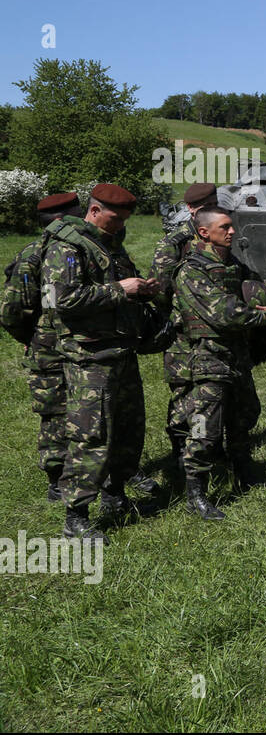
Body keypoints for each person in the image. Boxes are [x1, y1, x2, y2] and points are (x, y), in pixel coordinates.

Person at [44, 183, 165, 543]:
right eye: (116, 217)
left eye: (125, 218)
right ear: (94, 211)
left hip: (121, 353)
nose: (121, 224)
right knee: (91, 435)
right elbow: (61, 299)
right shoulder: (67, 247)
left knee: (128, 429)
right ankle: (76, 516)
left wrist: (141, 289)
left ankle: (115, 493)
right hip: (90, 358)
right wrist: (120, 290)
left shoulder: (110, 243)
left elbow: (115, 286)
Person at [168, 207, 266, 520]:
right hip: (209, 356)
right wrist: (264, 317)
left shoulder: (230, 263)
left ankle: (245, 473)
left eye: (232, 227)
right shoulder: (192, 269)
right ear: (204, 232)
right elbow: (222, 312)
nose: (232, 232)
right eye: (225, 227)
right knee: (206, 426)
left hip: (237, 354)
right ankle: (196, 493)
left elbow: (258, 287)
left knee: (244, 415)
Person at [1, 192, 81, 506]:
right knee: (55, 412)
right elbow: (12, 310)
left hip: (82, 346)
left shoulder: (78, 250)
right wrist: (34, 338)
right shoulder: (33, 255)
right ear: (63, 219)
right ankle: (56, 478)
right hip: (50, 350)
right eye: (78, 214)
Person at [152, 181, 220, 475]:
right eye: (206, 208)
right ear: (191, 209)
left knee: (214, 394)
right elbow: (160, 290)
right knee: (183, 395)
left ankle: (214, 447)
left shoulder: (219, 234)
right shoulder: (175, 243)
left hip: (216, 332)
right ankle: (180, 452)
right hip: (183, 335)